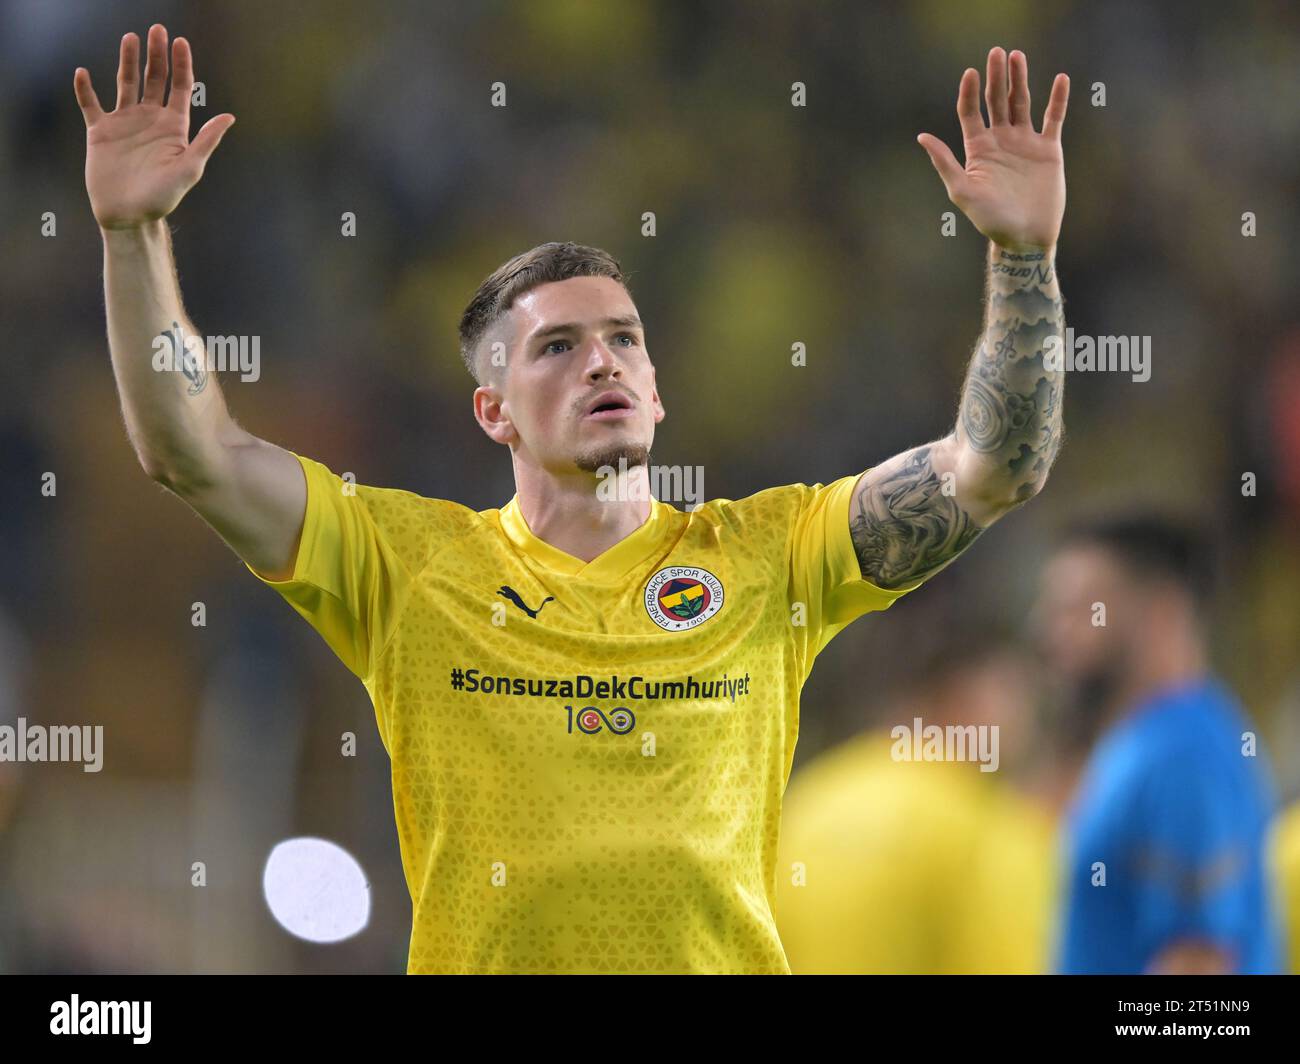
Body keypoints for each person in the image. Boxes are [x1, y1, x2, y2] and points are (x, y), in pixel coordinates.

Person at [76, 26, 1070, 973]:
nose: (603, 359)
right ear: (493, 410)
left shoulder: (770, 554)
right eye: (558, 346)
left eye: (625, 338)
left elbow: (997, 466)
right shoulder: (408, 564)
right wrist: (133, 234)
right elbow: (192, 452)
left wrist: (1023, 257)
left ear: (656, 389)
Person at [1034, 514, 1284, 973]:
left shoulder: (1184, 754)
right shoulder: (1142, 746)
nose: (1052, 633)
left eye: (1079, 608)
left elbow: (1197, 969)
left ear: (1162, 611)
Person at [775, 637, 1059, 974]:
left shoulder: (804, 799)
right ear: (963, 699)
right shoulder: (986, 824)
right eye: (1010, 695)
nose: (1021, 722)